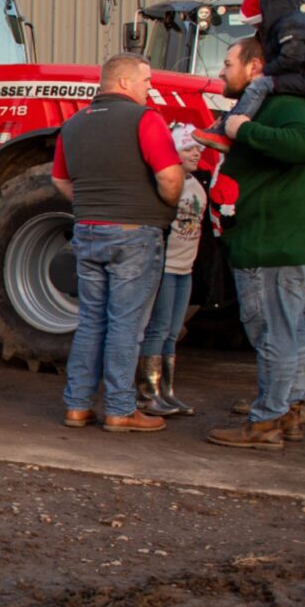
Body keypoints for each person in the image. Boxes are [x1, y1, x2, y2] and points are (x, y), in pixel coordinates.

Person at [53, 54, 186, 431]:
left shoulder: (73, 124)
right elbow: (170, 177)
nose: (150, 87)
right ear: (124, 82)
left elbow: (60, 180)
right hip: (133, 233)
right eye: (146, 80)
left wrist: (92, 206)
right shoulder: (145, 119)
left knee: (90, 322)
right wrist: (164, 206)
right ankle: (120, 409)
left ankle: (77, 405)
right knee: (125, 325)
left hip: (88, 231)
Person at [208, 37, 305, 448]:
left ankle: (266, 421)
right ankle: (287, 412)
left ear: (255, 67)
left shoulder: (285, 106)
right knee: (288, 332)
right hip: (280, 243)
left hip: (273, 245)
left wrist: (243, 129)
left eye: (227, 63)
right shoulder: (280, 106)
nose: (221, 72)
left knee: (273, 334)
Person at [138, 128, 209, 415]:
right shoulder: (167, 182)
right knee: (159, 327)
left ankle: (166, 390)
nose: (196, 153)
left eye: (198, 148)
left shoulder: (196, 185)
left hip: (185, 267)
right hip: (166, 267)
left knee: (173, 331)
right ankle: (148, 392)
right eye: (188, 148)